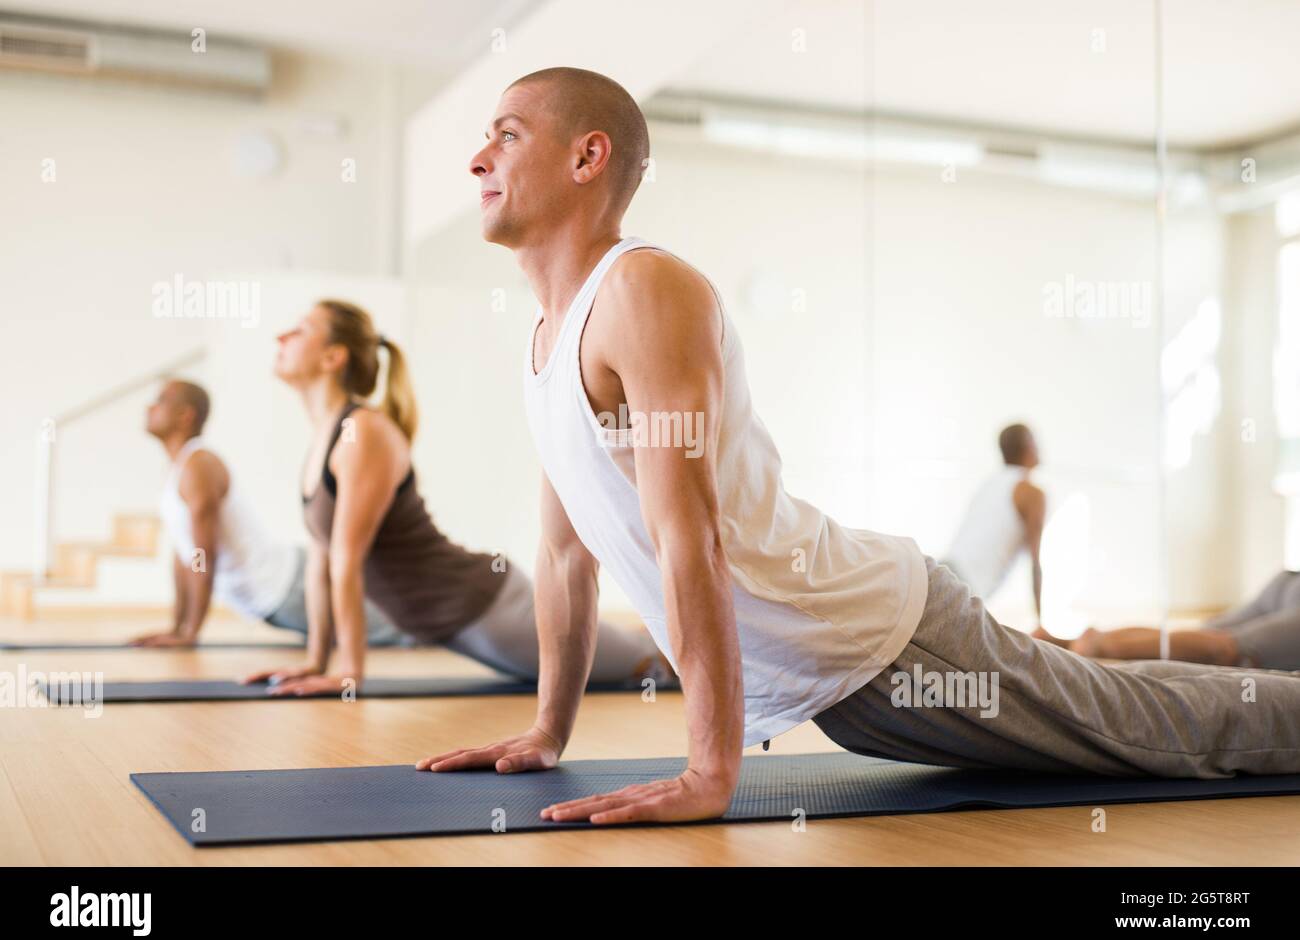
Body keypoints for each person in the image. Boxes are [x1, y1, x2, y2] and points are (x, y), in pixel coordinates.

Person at [416, 67, 1300, 825]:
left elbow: (693, 537)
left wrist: (711, 771)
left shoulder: (641, 289)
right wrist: (548, 731)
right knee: (1138, 713)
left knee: (1152, 731)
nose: (477, 157)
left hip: (891, 642)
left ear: (586, 156)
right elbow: (566, 558)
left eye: (506, 134)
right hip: (850, 679)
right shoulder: (547, 338)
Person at [247, 299, 674, 696]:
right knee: (627, 651)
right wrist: (315, 662)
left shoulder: (365, 433)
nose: (280, 337)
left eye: (300, 329)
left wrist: (349, 674)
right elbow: (321, 559)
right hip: (459, 621)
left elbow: (347, 561)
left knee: (648, 662)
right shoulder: (328, 436)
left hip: (489, 609)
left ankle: (698, 642)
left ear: (332, 357)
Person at [133, 379, 406, 647]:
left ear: (185, 415)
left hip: (289, 588)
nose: (149, 408)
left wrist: (190, 632)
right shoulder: (177, 469)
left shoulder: (198, 466)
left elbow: (203, 556)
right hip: (283, 586)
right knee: (393, 612)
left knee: (401, 628)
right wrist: (177, 627)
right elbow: (184, 557)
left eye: (160, 401)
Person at [1035, 569, 1300, 671]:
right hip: (1289, 590)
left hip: (1288, 582)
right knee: (1220, 646)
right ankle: (1096, 646)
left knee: (1208, 639)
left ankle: (1078, 643)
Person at [943, 423, 1046, 623]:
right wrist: (1040, 622)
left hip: (944, 570)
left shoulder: (990, 484)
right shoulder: (1032, 493)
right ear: (1029, 447)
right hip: (963, 586)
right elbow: (1035, 563)